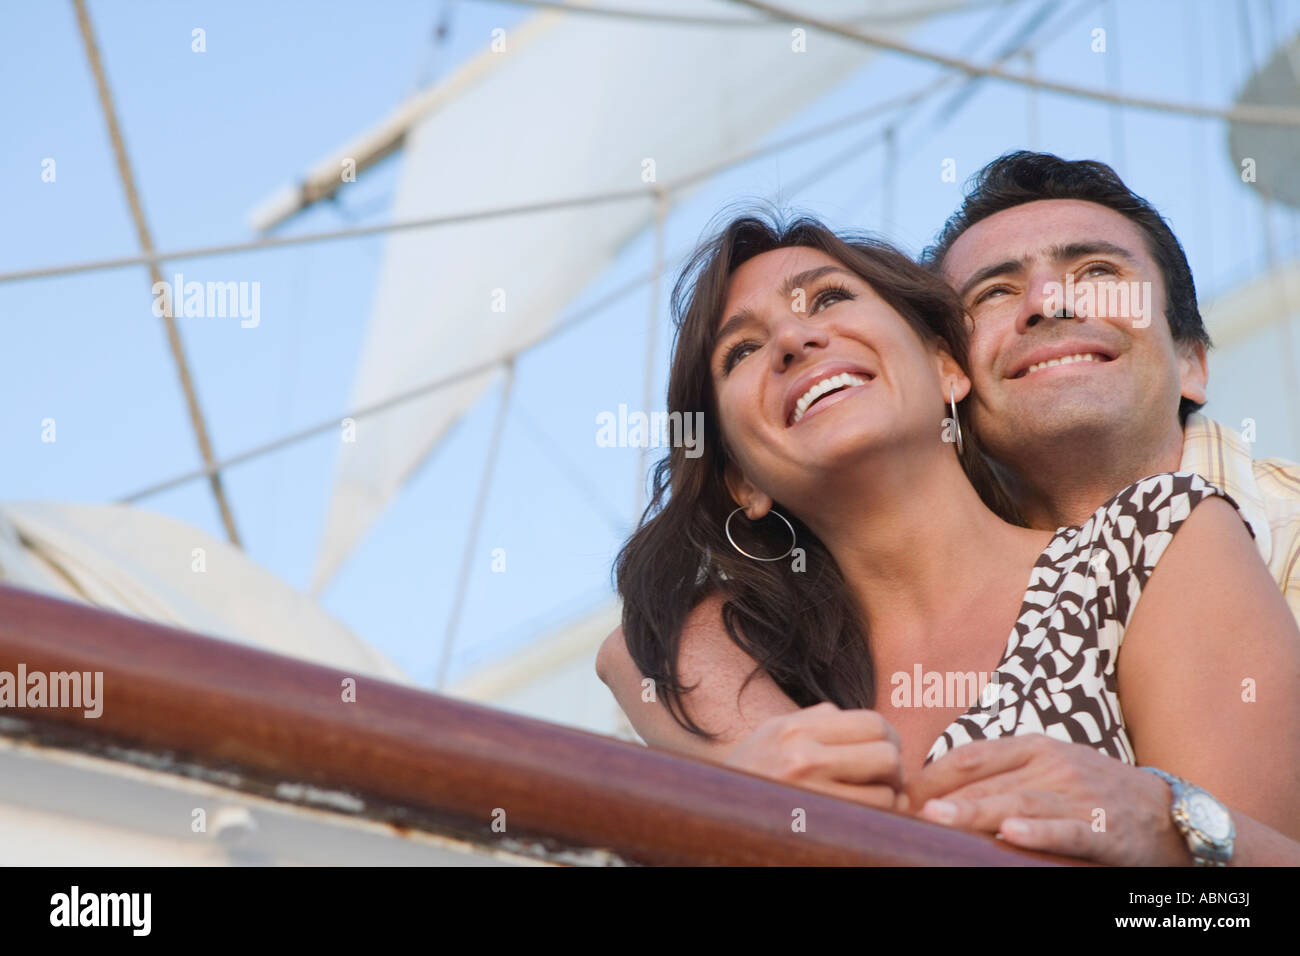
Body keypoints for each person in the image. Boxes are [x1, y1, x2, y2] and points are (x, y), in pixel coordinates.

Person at [596, 206, 1300, 865]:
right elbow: (638, 647)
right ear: (742, 484)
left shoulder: (1155, 544)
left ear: (946, 368)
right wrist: (735, 788)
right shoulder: (745, 673)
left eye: (831, 299)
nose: (792, 339)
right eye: (740, 351)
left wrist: (1165, 822)